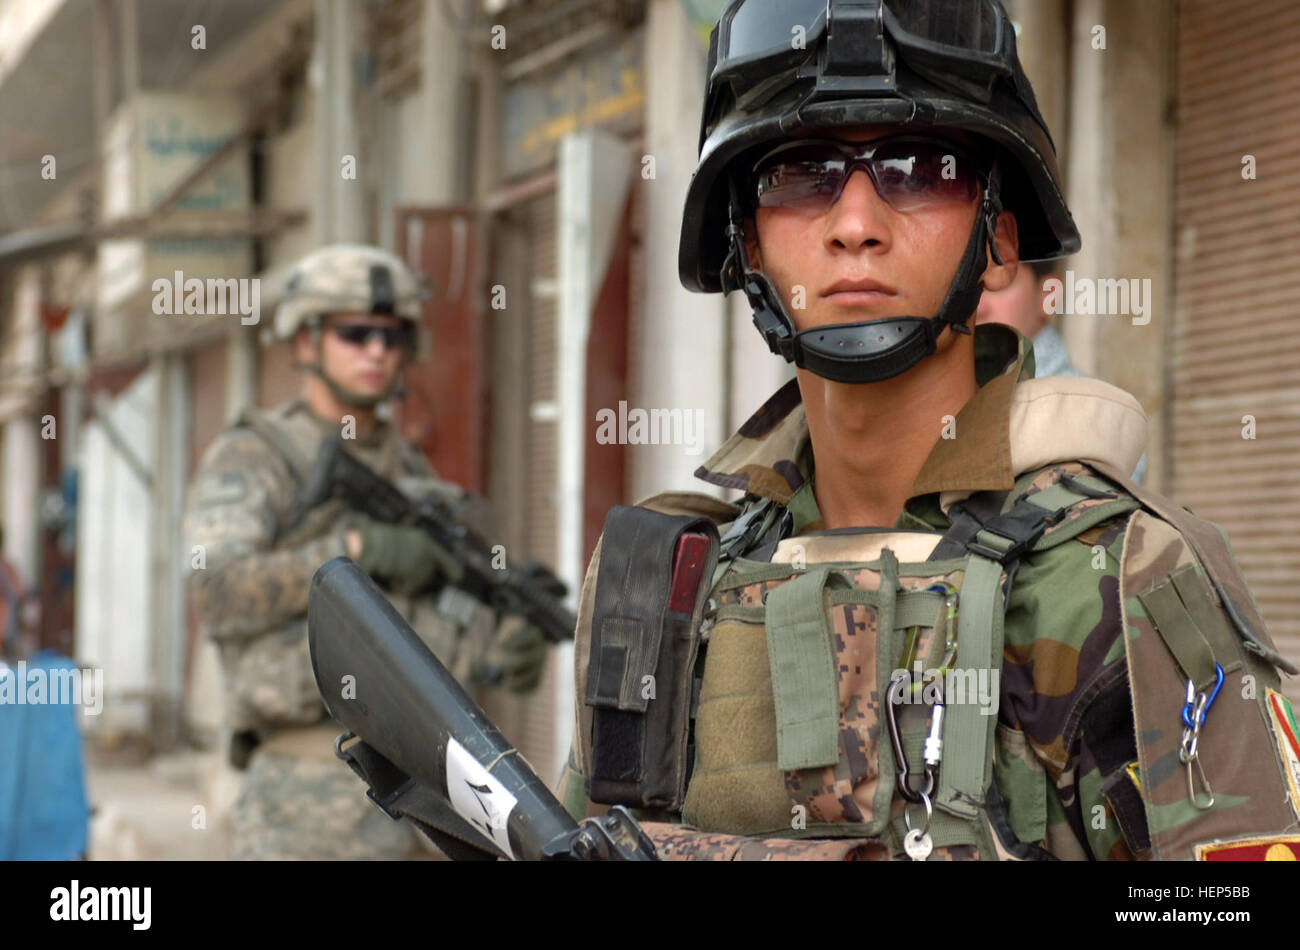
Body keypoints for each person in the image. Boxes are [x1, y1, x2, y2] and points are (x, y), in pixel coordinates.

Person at [557, 0, 1300, 861]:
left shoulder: (1123, 576)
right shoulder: (666, 575)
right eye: (801, 175)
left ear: (997, 244)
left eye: (919, 167)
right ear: (746, 249)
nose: (856, 225)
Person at [184, 243, 547, 860]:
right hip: (306, 792)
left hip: (425, 793)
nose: (377, 351)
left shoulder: (410, 470)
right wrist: (354, 548)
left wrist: (498, 642)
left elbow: (418, 631)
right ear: (305, 342)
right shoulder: (258, 456)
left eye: (392, 336)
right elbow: (217, 590)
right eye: (354, 334)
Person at [976, 260, 1147, 482]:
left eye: (998, 286)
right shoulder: (949, 400)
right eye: (970, 287)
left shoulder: (1095, 413)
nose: (978, 307)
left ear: (1048, 295)